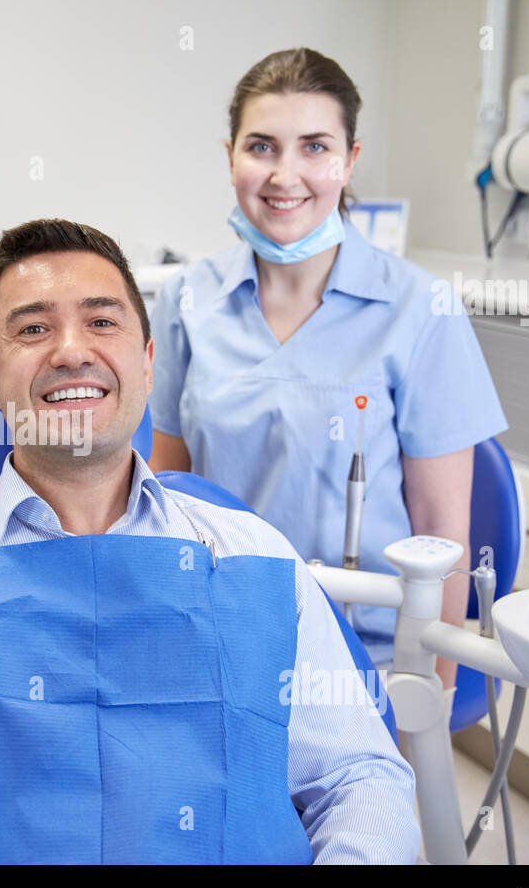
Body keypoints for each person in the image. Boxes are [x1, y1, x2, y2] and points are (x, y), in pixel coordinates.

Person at [0, 219, 421, 864]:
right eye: (33, 328)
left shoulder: (257, 560)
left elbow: (360, 779)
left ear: (146, 362)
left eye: (102, 322)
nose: (71, 350)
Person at [147, 49, 508, 688]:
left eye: (315, 147)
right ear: (230, 156)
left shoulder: (421, 309)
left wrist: (432, 689)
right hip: (221, 632)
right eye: (262, 147)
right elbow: (172, 488)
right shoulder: (187, 300)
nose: (286, 174)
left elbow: (442, 530)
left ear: (350, 160)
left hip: (371, 650)